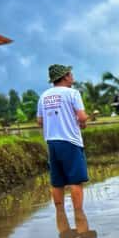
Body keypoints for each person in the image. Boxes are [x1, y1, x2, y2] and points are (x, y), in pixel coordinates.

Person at [36, 64, 89, 210]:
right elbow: (82, 117)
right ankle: (79, 213)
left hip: (52, 142)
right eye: (71, 74)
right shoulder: (72, 93)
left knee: (57, 181)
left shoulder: (44, 96)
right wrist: (83, 122)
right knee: (75, 181)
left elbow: (40, 121)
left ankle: (60, 213)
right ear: (65, 76)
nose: (72, 77)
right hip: (70, 141)